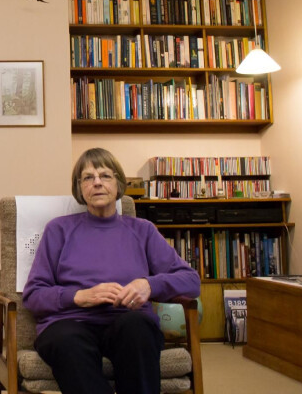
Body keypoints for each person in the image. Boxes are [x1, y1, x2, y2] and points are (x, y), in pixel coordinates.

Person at [22, 148, 200, 394]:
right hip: (69, 322)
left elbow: (191, 281)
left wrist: (149, 285)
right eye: (88, 177)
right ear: (79, 188)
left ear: (118, 184)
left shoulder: (143, 230)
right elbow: (33, 295)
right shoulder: (58, 230)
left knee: (138, 329)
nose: (96, 183)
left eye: (105, 176)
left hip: (128, 321)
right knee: (65, 342)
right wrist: (79, 296)